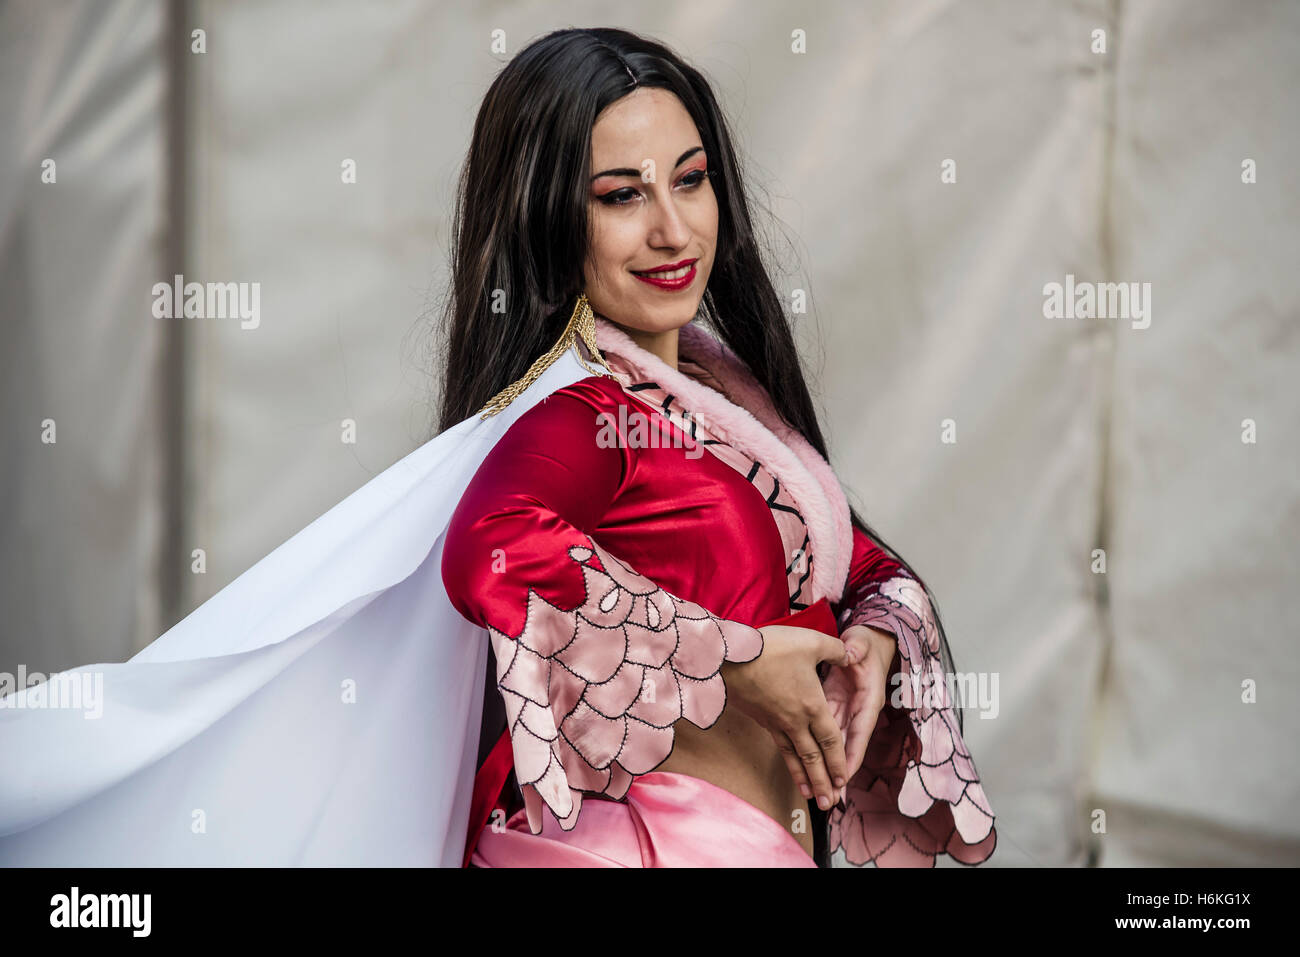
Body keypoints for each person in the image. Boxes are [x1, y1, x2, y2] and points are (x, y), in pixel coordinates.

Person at [0, 27, 994, 869]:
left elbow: (854, 559)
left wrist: (874, 633)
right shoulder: (580, 415)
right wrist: (733, 661)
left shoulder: (729, 399)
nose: (671, 228)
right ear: (551, 219)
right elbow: (493, 548)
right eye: (621, 196)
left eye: (690, 181)